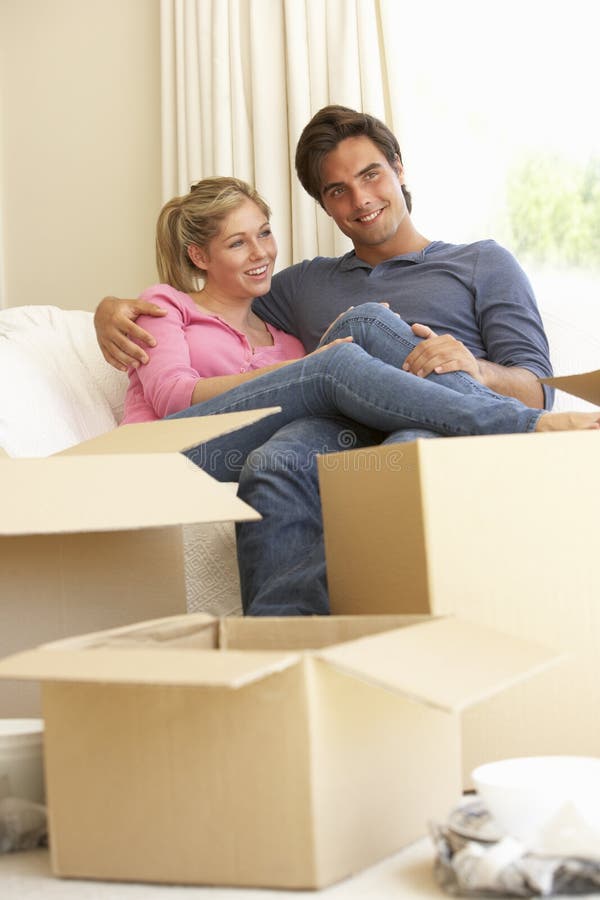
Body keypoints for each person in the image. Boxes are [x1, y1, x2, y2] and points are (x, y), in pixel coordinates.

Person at [94, 105, 598, 616]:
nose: (360, 199)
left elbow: (540, 386)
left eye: (370, 174)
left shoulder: (481, 262)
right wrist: (109, 311)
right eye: (338, 190)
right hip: (335, 430)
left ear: (399, 169)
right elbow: (211, 304)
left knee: (400, 432)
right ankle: (277, 656)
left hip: (444, 428)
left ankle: (533, 431)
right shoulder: (301, 284)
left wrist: (477, 369)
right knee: (275, 459)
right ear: (326, 206)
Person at [119, 175, 593, 486]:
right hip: (163, 453)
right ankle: (524, 425)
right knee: (347, 345)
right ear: (200, 257)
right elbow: (173, 397)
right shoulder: (164, 304)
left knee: (293, 454)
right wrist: (307, 369)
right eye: (238, 242)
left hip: (249, 451)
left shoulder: (280, 326)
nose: (261, 252)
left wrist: (309, 364)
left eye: (264, 233)